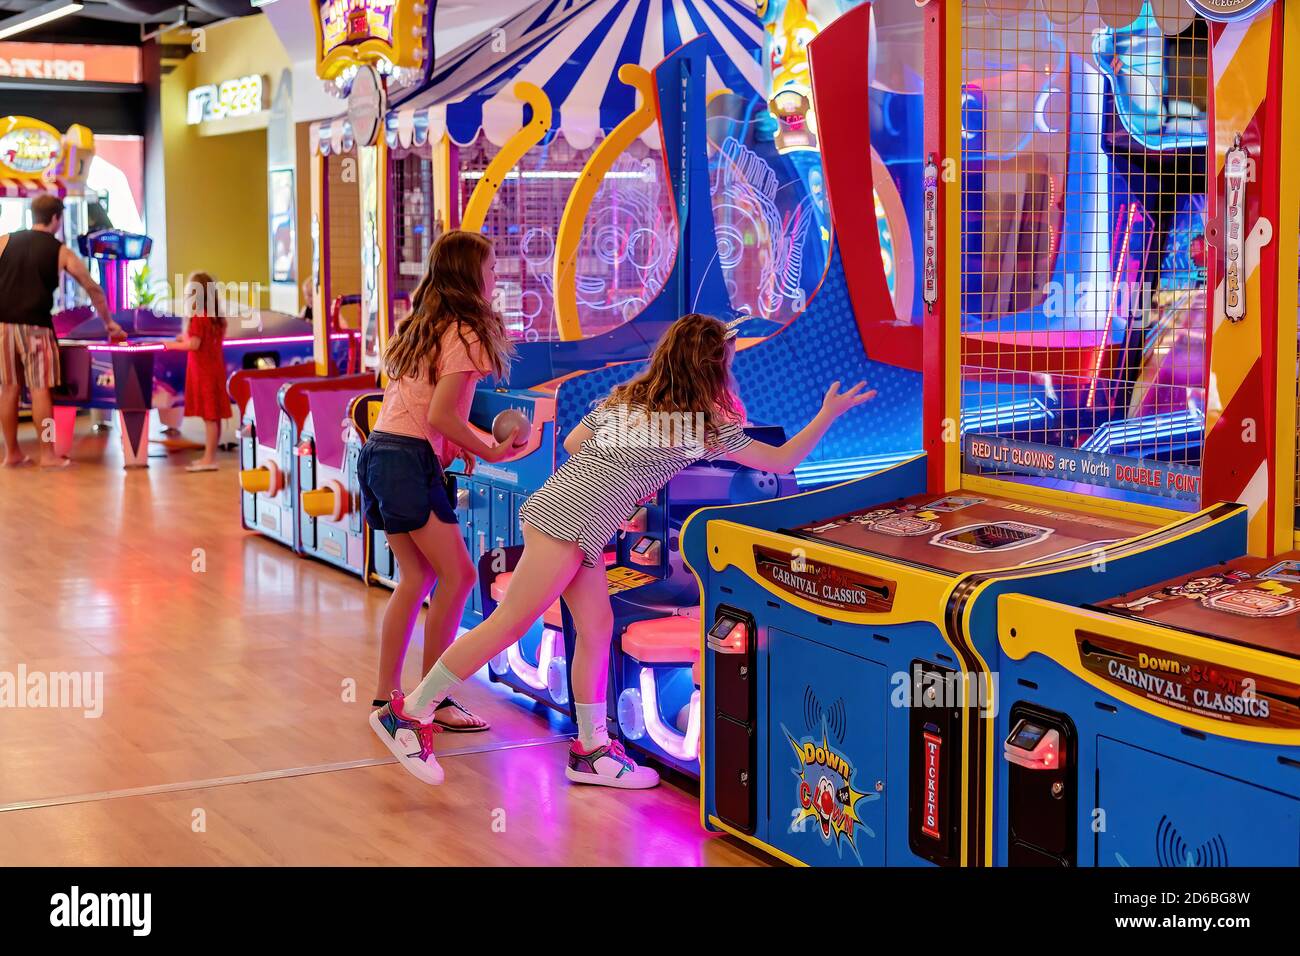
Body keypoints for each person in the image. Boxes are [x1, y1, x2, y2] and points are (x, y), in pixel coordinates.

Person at [370, 313, 875, 787]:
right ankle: (409, 712)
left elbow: (572, 445)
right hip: (571, 523)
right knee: (508, 626)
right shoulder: (701, 425)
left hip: (570, 514)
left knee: (596, 628)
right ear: (712, 368)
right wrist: (827, 413)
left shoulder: (627, 400)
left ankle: (592, 750)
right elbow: (782, 459)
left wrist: (622, 486)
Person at [360, 229, 524, 733]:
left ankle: (389, 695)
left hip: (380, 453)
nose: (496, 274)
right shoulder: (466, 332)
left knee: (417, 579)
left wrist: (450, 445)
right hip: (407, 460)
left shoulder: (422, 324)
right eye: (491, 266)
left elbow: (418, 407)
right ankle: (433, 698)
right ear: (469, 274)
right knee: (460, 576)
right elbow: (441, 412)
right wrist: (490, 447)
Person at [0, 193, 123, 467]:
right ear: (57, 219)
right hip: (36, 329)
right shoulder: (60, 251)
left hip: (3, 327)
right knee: (40, 389)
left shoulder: (4, 240)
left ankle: (12, 454)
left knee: (8, 388)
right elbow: (92, 287)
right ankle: (47, 454)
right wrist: (109, 323)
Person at [163, 272, 232, 471]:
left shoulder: (199, 317)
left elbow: (194, 344)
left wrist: (170, 345)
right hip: (214, 368)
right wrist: (182, 339)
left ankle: (209, 459)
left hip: (204, 371)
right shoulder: (214, 317)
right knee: (213, 416)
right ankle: (209, 456)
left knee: (209, 416)